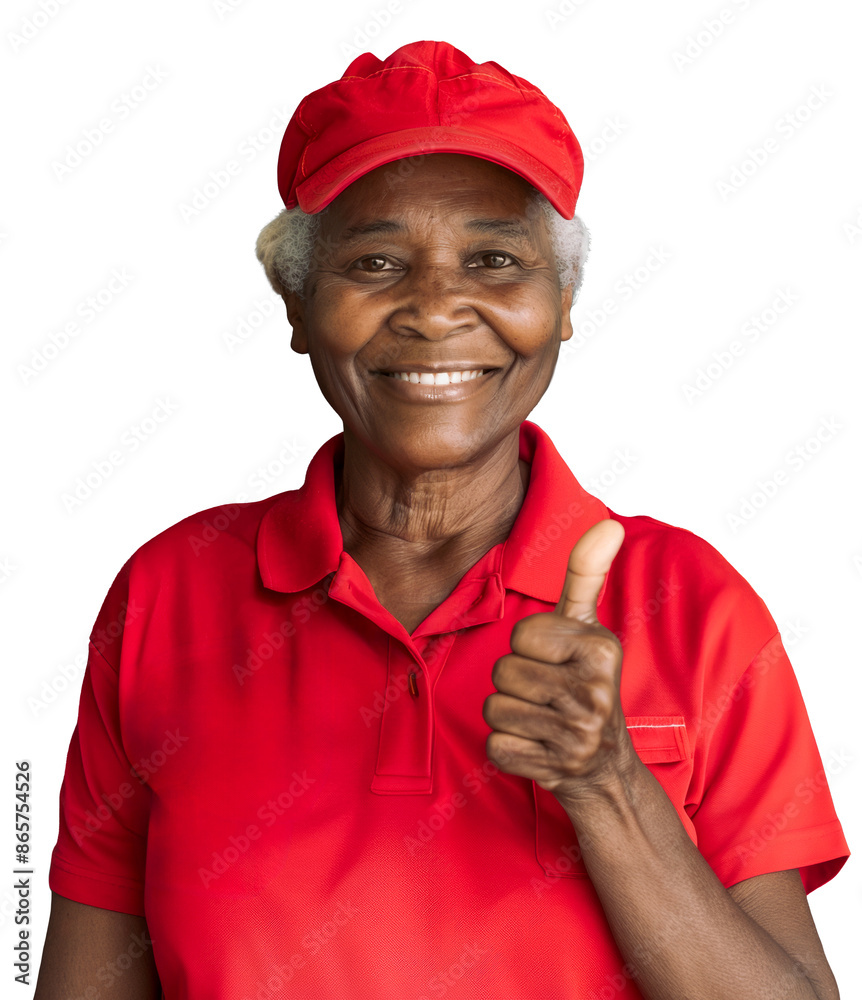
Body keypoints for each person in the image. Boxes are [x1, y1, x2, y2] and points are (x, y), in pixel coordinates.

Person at [35, 40, 848, 1000]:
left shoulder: (694, 603)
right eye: (376, 261)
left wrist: (610, 787)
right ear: (296, 300)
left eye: (495, 258)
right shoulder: (169, 594)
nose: (434, 309)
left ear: (563, 300)